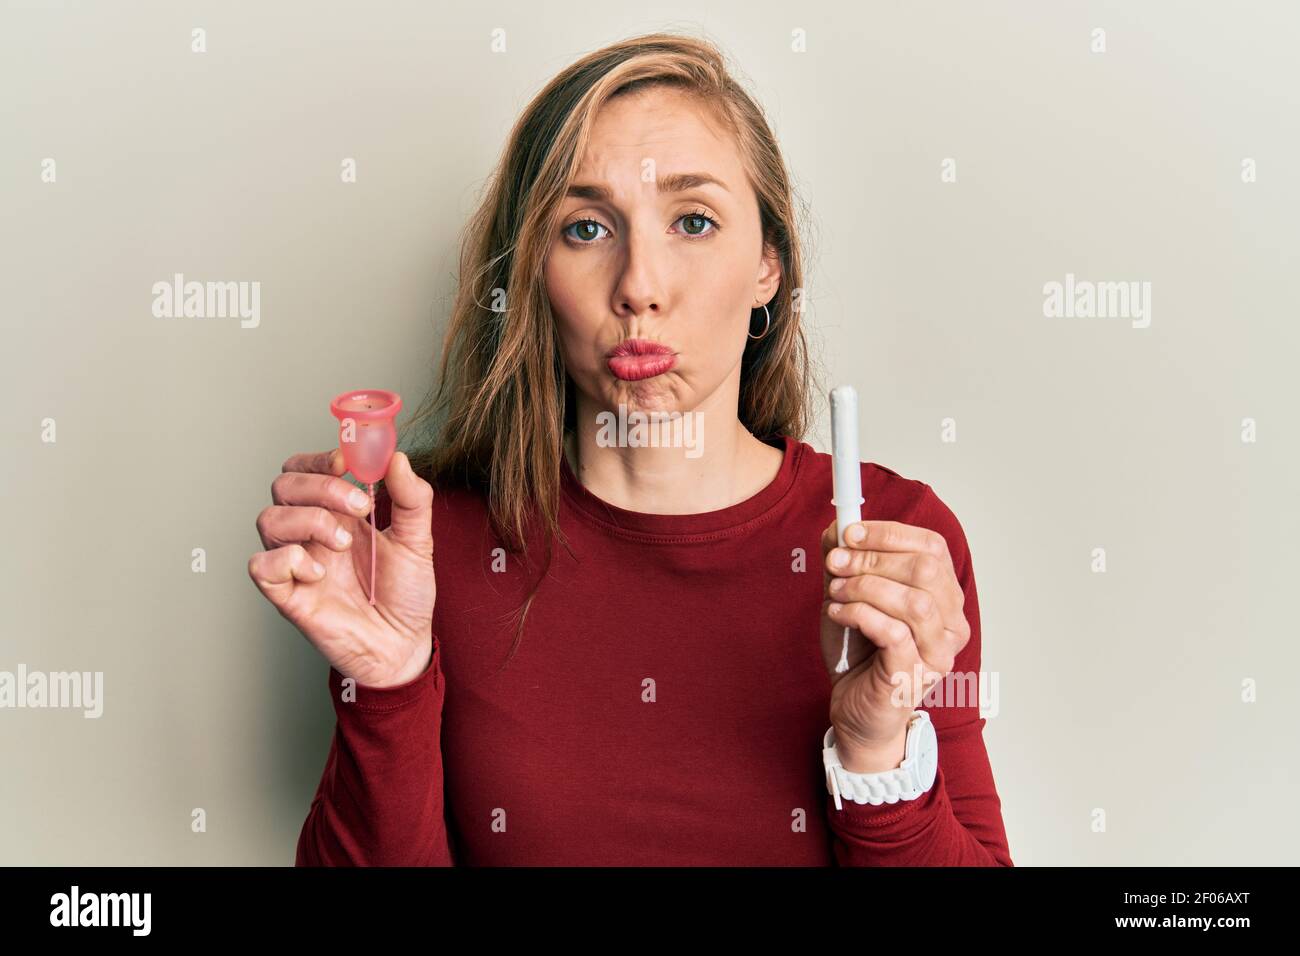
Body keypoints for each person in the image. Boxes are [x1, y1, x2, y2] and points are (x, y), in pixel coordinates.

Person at [249, 32, 1012, 866]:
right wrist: (385, 686)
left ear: (768, 265)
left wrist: (875, 750)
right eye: (584, 228)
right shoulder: (423, 542)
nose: (638, 285)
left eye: (693, 220)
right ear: (532, 274)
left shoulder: (898, 539)